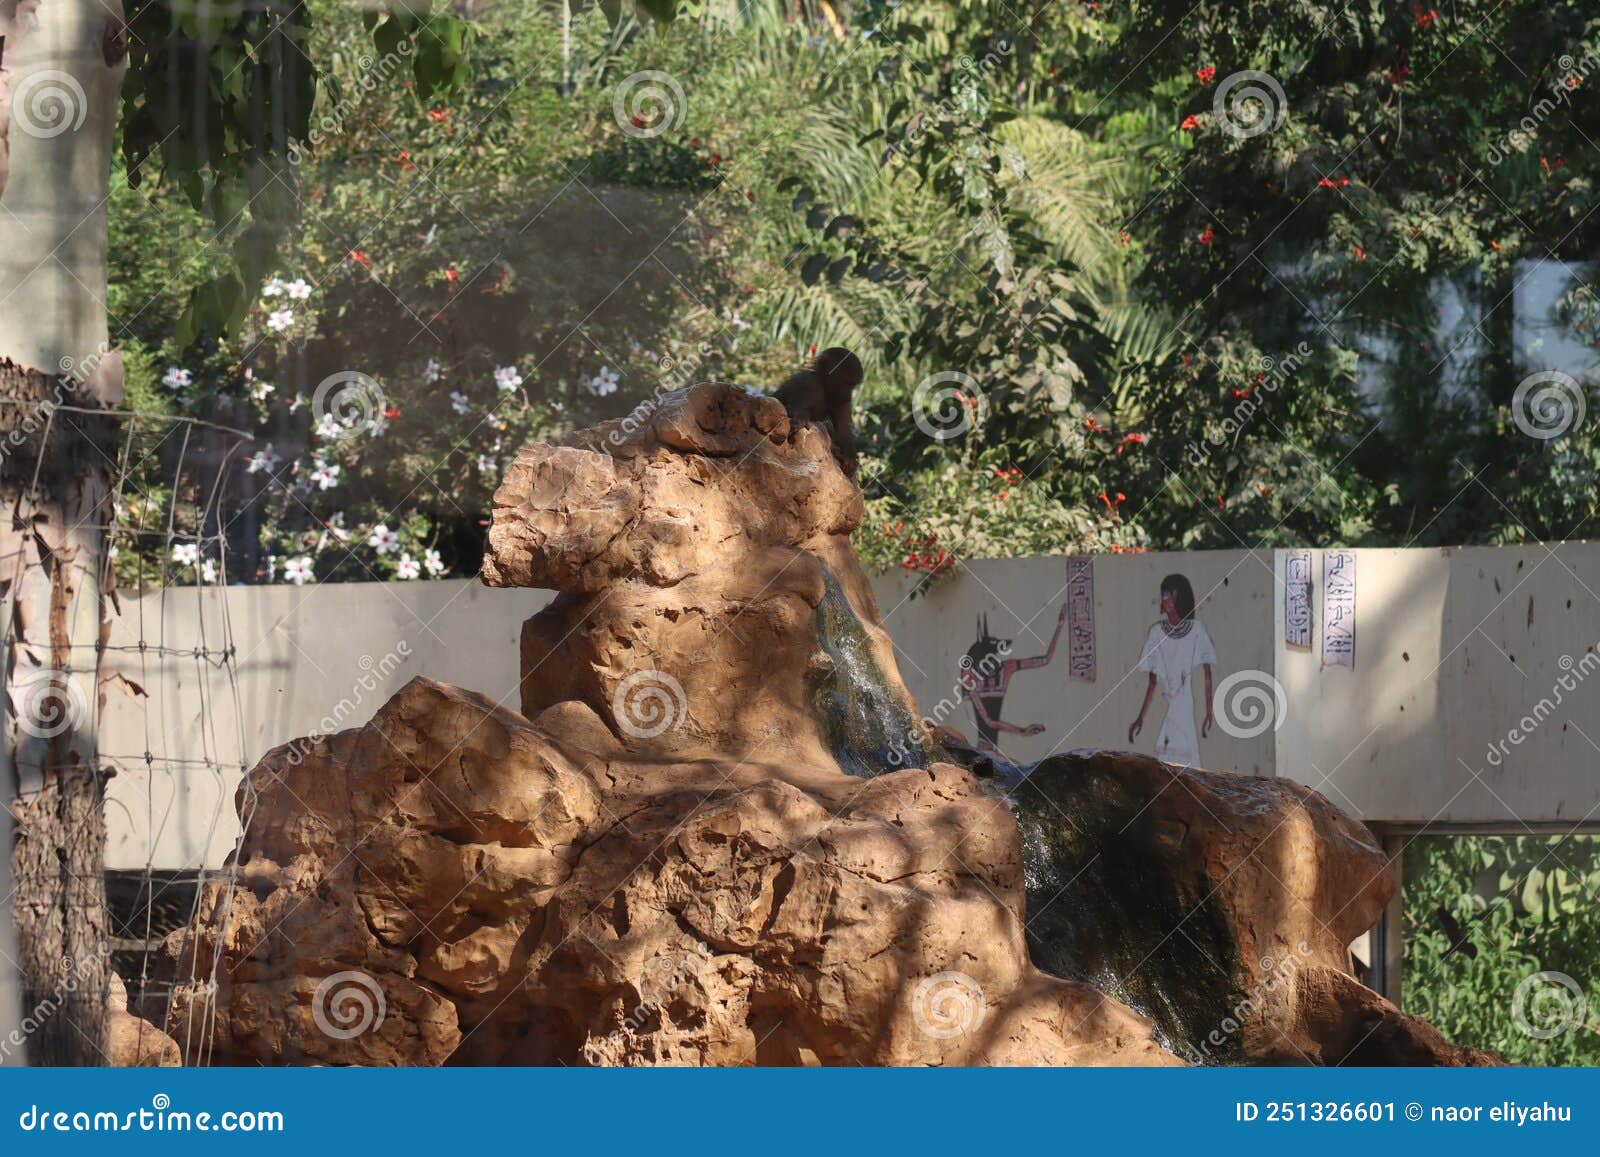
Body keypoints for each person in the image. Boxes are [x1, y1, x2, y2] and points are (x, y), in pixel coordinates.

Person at [1127, 573, 1215, 768]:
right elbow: (1152, 682)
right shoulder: (1156, 632)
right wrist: (1140, 718)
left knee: (1186, 760)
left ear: (1179, 598)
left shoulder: (1197, 630)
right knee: (1167, 760)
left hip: (1185, 702)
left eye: (1168, 595)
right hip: (1170, 702)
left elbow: (1207, 674)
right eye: (1163, 595)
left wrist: (1209, 711)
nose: (1164, 600)